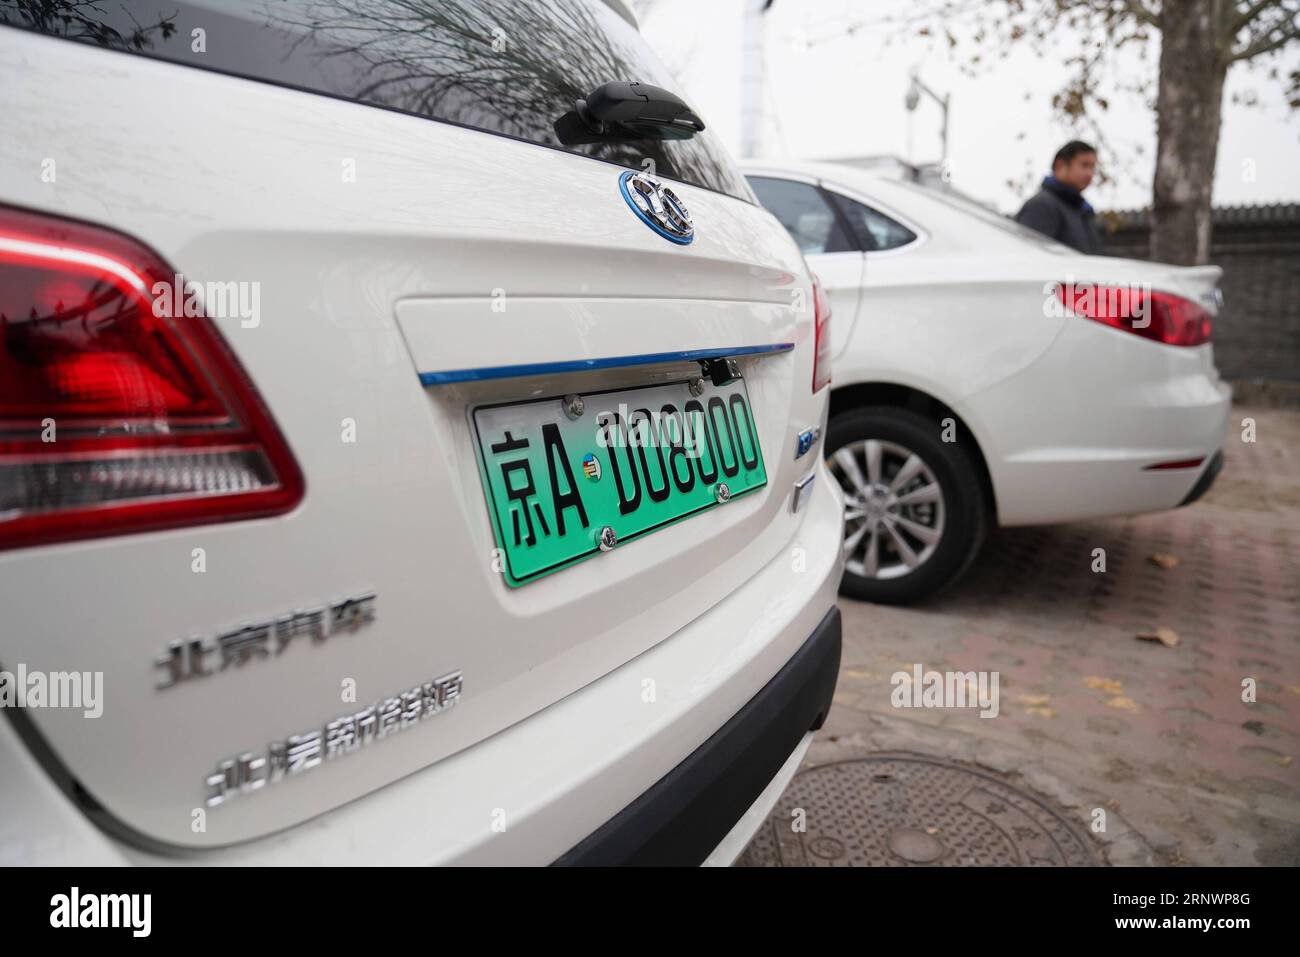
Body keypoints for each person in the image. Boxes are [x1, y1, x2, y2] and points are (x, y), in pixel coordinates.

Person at [1015, 141, 1103, 254]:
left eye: (1092, 168)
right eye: (1084, 165)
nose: (1089, 174)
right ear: (1059, 165)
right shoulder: (1041, 206)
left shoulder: (1081, 210)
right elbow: (1030, 259)